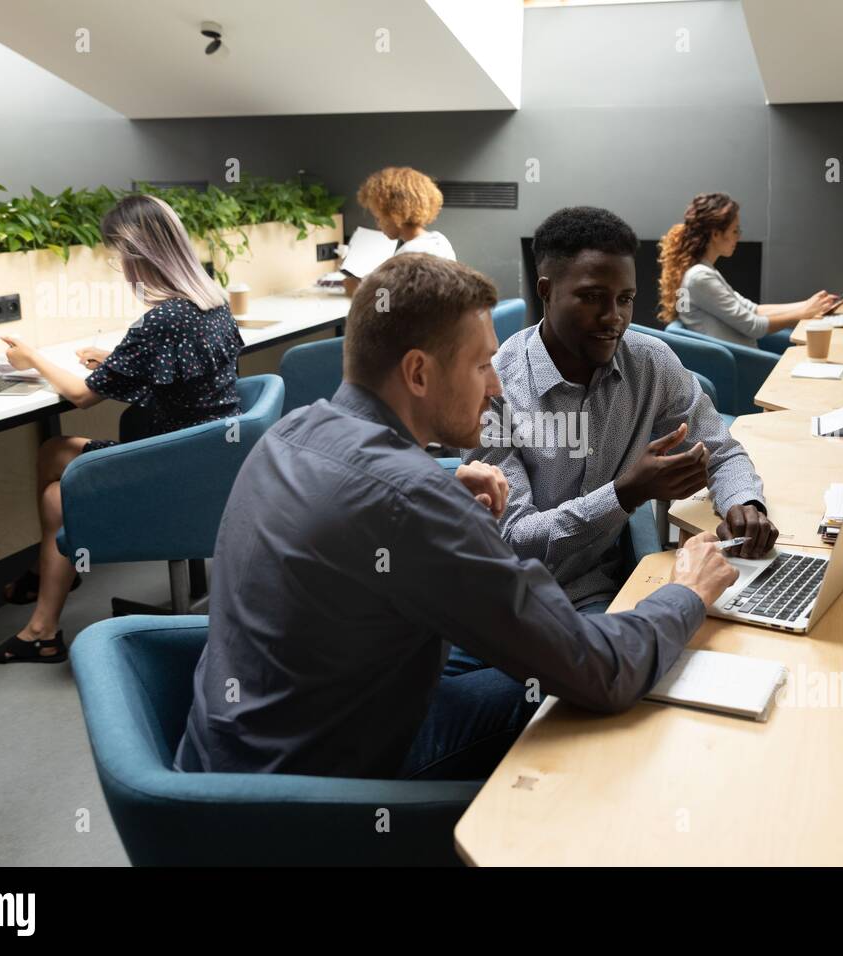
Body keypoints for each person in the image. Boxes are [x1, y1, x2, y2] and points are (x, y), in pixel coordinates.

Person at [174, 253, 738, 781]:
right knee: (607, 698)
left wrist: (444, 482)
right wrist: (686, 591)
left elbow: (362, 504)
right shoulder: (413, 502)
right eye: (481, 365)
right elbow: (601, 671)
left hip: (228, 756)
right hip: (314, 790)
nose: (496, 388)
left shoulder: (290, 433)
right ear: (418, 373)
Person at [466, 206, 777, 615]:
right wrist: (625, 493)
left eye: (625, 299)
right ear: (546, 290)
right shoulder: (496, 387)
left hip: (595, 593)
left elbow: (720, 449)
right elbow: (514, 540)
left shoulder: (649, 363)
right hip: (511, 598)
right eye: (593, 297)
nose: (614, 317)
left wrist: (745, 503)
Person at [0, 194, 243, 663]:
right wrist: (114, 362)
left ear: (138, 254)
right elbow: (182, 375)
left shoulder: (162, 319)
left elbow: (82, 397)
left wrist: (33, 358)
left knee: (57, 496)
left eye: (119, 254)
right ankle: (54, 568)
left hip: (173, 471)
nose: (118, 266)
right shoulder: (211, 300)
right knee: (55, 452)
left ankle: (42, 631)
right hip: (208, 463)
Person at [659, 192, 843, 348]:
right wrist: (803, 313)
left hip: (748, 360)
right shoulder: (699, 277)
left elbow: (753, 310)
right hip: (743, 368)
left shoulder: (704, 271)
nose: (738, 237)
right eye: (734, 231)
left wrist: (808, 305)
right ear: (716, 234)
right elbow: (753, 326)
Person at [343, 166, 456, 295]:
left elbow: (384, 308)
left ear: (395, 214)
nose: (378, 226)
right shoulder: (439, 241)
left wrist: (359, 291)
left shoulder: (408, 256)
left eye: (378, 218)